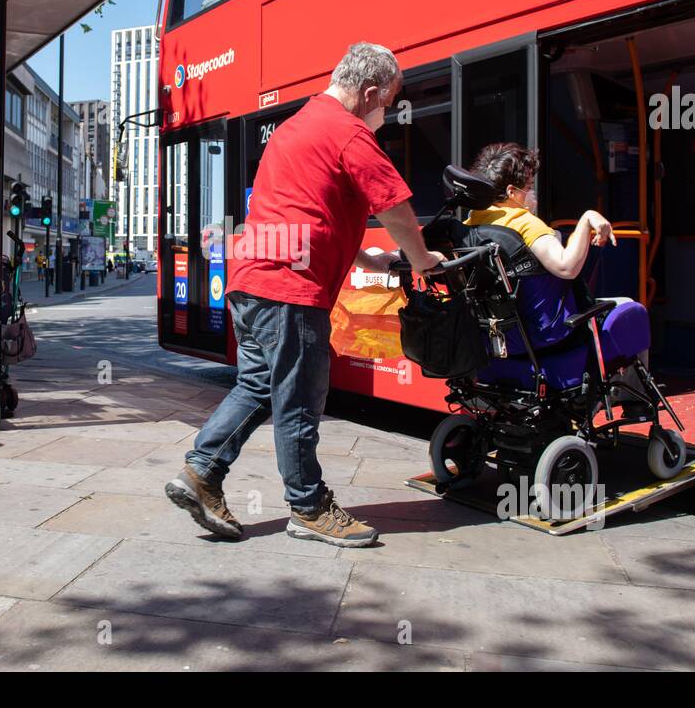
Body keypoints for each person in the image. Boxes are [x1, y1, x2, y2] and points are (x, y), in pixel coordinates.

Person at [165, 42, 445, 547]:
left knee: (256, 386)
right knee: (300, 401)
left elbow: (306, 212)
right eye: (388, 102)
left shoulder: (297, 126)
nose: (386, 113)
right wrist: (422, 260)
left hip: (251, 281)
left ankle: (201, 472)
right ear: (371, 92)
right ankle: (310, 507)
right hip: (290, 292)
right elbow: (395, 207)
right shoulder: (349, 132)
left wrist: (364, 258)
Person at [463, 142, 615, 350]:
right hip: (546, 337)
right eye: (529, 187)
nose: (532, 194)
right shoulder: (524, 222)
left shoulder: (470, 226)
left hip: (492, 340)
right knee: (627, 309)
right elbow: (566, 267)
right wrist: (587, 219)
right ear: (511, 192)